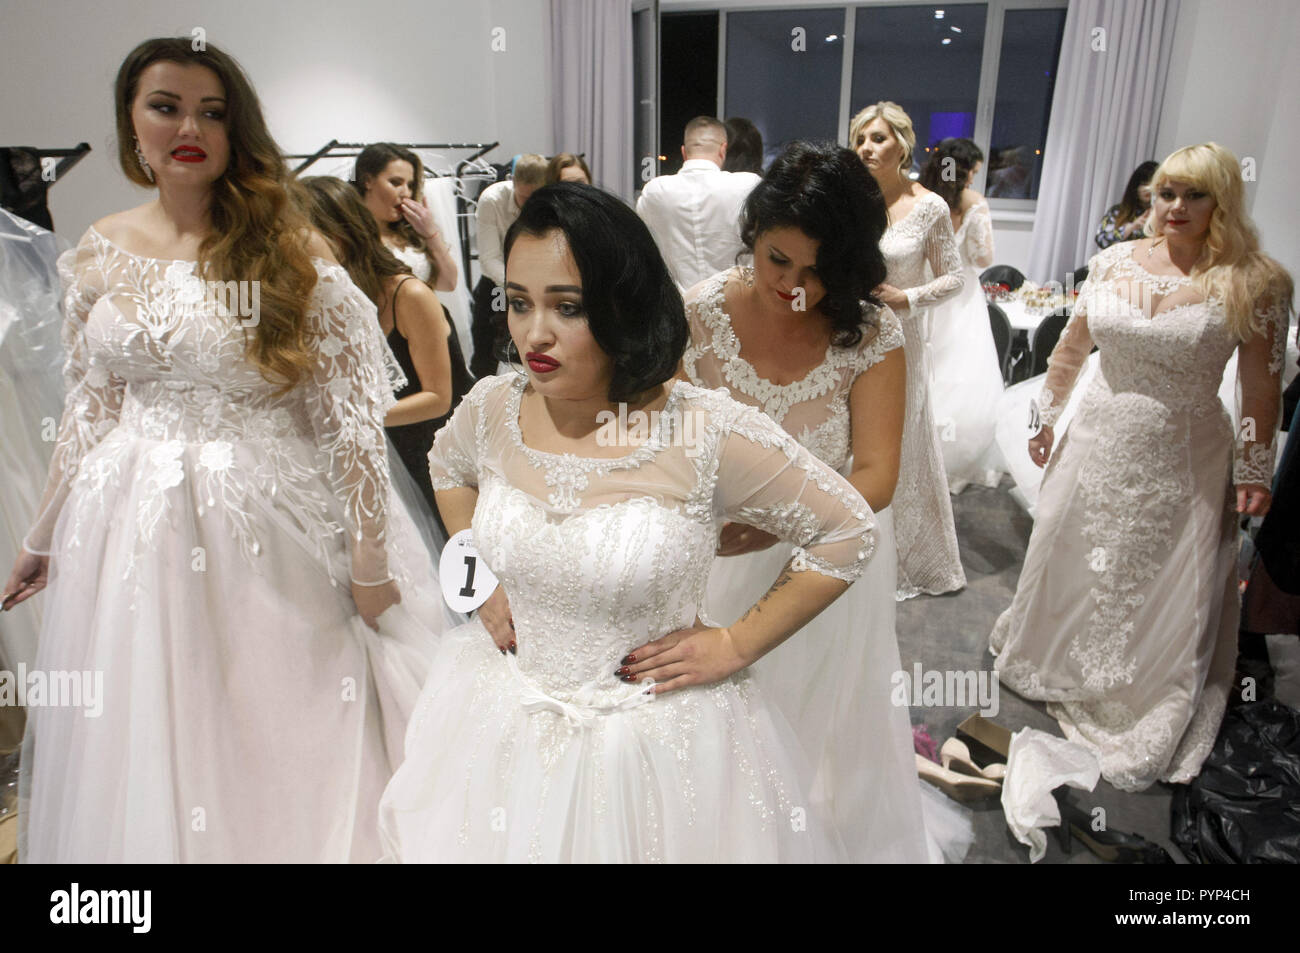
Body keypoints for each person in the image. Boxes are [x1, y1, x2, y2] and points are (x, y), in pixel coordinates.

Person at [1, 37, 444, 862]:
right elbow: (90, 411)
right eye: (165, 107)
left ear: (238, 130)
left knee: (272, 718)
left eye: (213, 111)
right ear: (131, 123)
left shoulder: (293, 249)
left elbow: (351, 418)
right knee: (154, 726)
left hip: (267, 527)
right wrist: (41, 535)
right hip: (127, 527)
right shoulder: (97, 250)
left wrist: (371, 560)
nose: (189, 127)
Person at [378, 183, 880, 863]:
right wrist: (478, 581)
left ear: (624, 303)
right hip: (501, 715)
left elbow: (848, 529)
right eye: (521, 303)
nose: (534, 333)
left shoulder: (701, 429)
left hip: (657, 745)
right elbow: (446, 465)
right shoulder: (494, 406)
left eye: (568, 306)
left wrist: (737, 641)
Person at [990, 143, 1293, 792]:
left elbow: (1262, 388)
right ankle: (1056, 658)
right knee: (1076, 552)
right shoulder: (1113, 260)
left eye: (1195, 194)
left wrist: (1257, 469)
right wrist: (1045, 415)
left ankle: (1136, 694)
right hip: (1098, 432)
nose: (1177, 207)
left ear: (1223, 201)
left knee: (1151, 575)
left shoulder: (1255, 280)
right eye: (1167, 193)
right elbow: (1073, 347)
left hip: (1185, 450)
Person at [680, 141, 942, 863]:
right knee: (710, 718)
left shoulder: (872, 333)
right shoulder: (700, 313)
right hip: (712, 551)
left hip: (824, 558)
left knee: (812, 722)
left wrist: (772, 523)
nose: (795, 287)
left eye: (818, 272)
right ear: (753, 238)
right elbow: (664, 436)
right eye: (777, 261)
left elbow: (878, 473)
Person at [297, 175, 473, 532]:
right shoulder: (327, 298)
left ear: (341, 235)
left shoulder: (408, 295)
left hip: (431, 451)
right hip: (373, 449)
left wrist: (353, 418)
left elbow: (439, 398)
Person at [851, 101, 966, 599]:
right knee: (850, 436)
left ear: (902, 144)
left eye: (877, 138)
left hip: (901, 339)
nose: (866, 148)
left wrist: (908, 298)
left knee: (902, 438)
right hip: (848, 336)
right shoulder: (850, 202)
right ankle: (851, 548)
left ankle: (908, 557)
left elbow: (956, 276)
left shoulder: (929, 207)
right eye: (859, 139)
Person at [919, 137, 1004, 491]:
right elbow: (984, 258)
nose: (972, 180)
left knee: (923, 369)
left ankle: (918, 452)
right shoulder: (974, 203)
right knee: (961, 371)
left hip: (923, 289)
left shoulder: (921, 196)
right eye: (973, 172)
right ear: (965, 169)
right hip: (961, 295)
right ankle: (952, 457)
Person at [636, 117, 760, 291]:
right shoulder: (749, 187)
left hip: (678, 310)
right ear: (723, 150)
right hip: (737, 307)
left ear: (684, 152)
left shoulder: (654, 192)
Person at [470, 153, 547, 378]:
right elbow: (490, 257)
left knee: (527, 353)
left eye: (533, 197)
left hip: (538, 285)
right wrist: (520, 288)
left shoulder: (548, 200)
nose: (527, 204)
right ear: (512, 181)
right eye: (522, 197)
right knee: (486, 353)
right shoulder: (492, 199)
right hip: (496, 284)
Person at [352, 142, 459, 292]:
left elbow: (449, 284)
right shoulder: (350, 236)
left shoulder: (411, 232)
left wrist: (431, 235)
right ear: (367, 181)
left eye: (410, 185)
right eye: (395, 183)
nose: (406, 193)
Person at [1095, 160, 1158, 249]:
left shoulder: (1163, 215)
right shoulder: (1117, 211)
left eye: (1152, 184)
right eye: (1143, 184)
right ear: (1135, 186)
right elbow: (1101, 240)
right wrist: (1131, 227)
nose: (1147, 189)